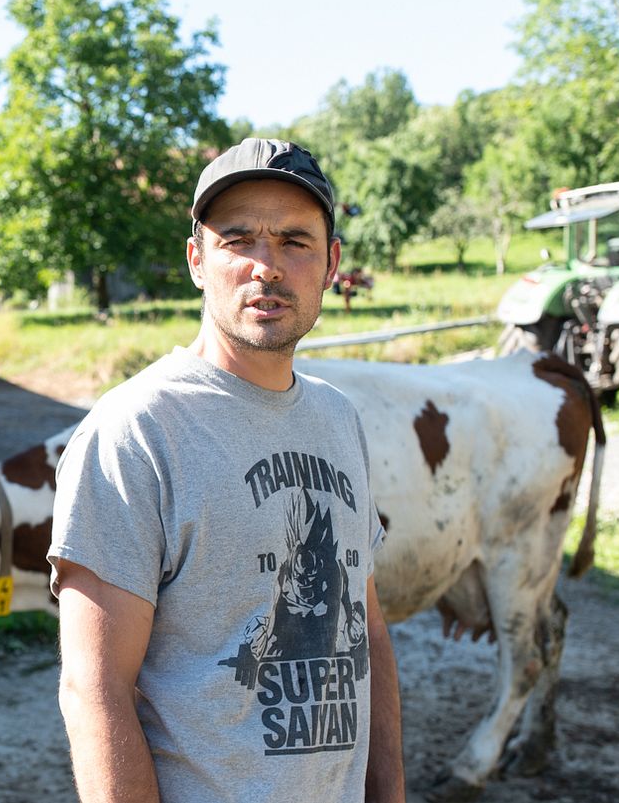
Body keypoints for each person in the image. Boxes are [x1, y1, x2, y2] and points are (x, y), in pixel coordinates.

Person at [49, 138, 406, 803]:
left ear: (331, 263)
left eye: (295, 242)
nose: (265, 267)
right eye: (238, 240)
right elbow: (94, 687)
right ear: (196, 260)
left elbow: (369, 629)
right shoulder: (138, 431)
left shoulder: (337, 418)